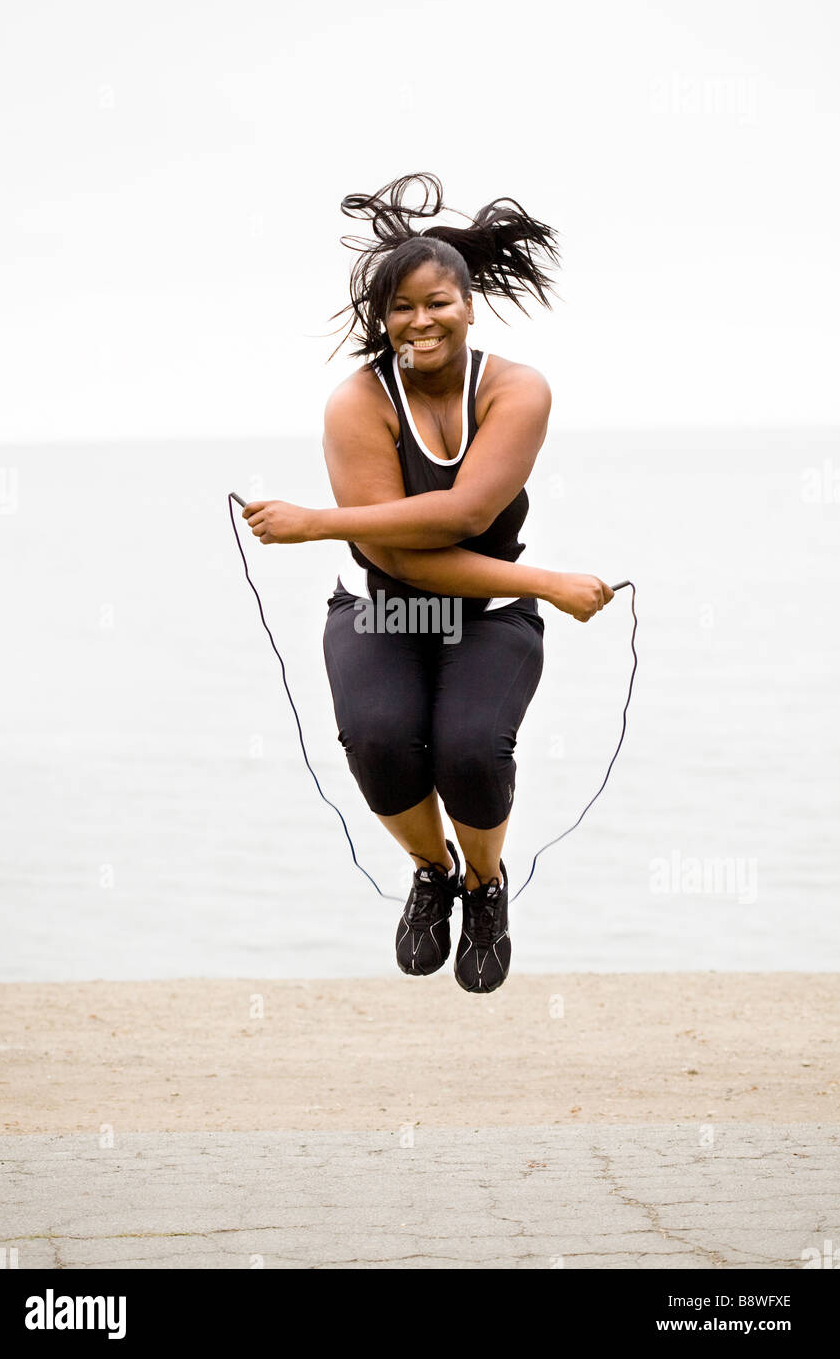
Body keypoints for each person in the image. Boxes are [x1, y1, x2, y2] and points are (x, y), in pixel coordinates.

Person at [242, 174, 612, 994]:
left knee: (472, 751)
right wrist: (550, 580)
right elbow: (404, 556)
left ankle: (483, 886)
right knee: (377, 740)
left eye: (437, 302)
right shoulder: (357, 402)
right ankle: (431, 871)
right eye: (401, 308)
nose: (421, 321)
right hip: (381, 605)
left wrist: (316, 521)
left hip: (487, 610)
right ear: (383, 320)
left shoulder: (517, 389)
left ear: (470, 304)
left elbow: (461, 514)